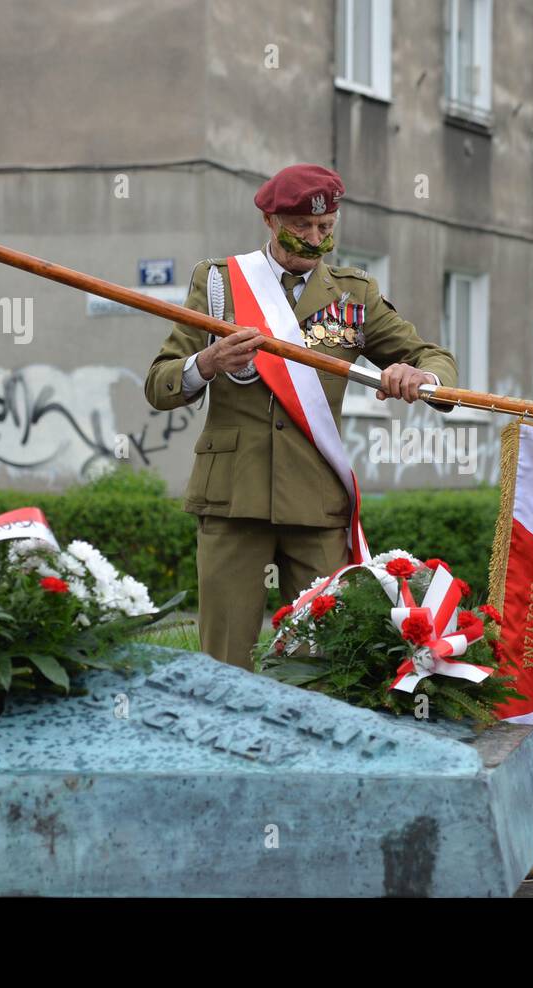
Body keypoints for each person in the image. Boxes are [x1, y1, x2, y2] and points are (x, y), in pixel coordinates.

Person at [144, 163, 457, 669]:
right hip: (232, 499)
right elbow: (159, 384)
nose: (315, 239)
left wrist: (423, 379)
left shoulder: (355, 295)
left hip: (315, 502)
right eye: (301, 228)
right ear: (270, 220)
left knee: (326, 661)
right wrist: (206, 363)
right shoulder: (220, 283)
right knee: (226, 662)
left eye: (326, 228)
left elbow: (432, 357)